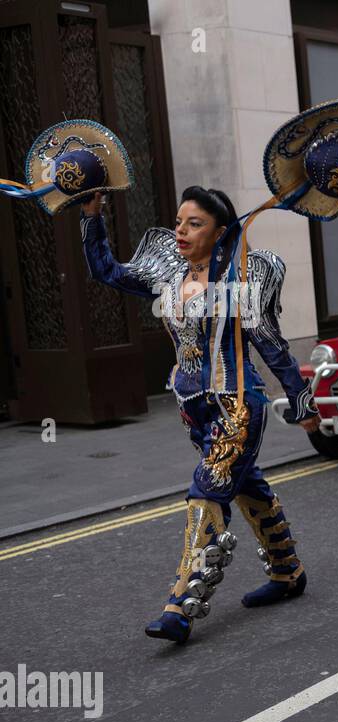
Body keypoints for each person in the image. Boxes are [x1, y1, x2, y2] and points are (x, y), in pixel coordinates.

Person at [80, 186, 319, 643]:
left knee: (206, 492)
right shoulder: (170, 276)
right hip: (194, 407)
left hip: (237, 405)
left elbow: (271, 346)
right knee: (247, 486)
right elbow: (106, 272)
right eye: (178, 222)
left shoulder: (241, 279)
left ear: (220, 232)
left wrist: (302, 401)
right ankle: (288, 572)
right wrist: (93, 214)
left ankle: (180, 608)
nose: (181, 232)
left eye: (195, 224)